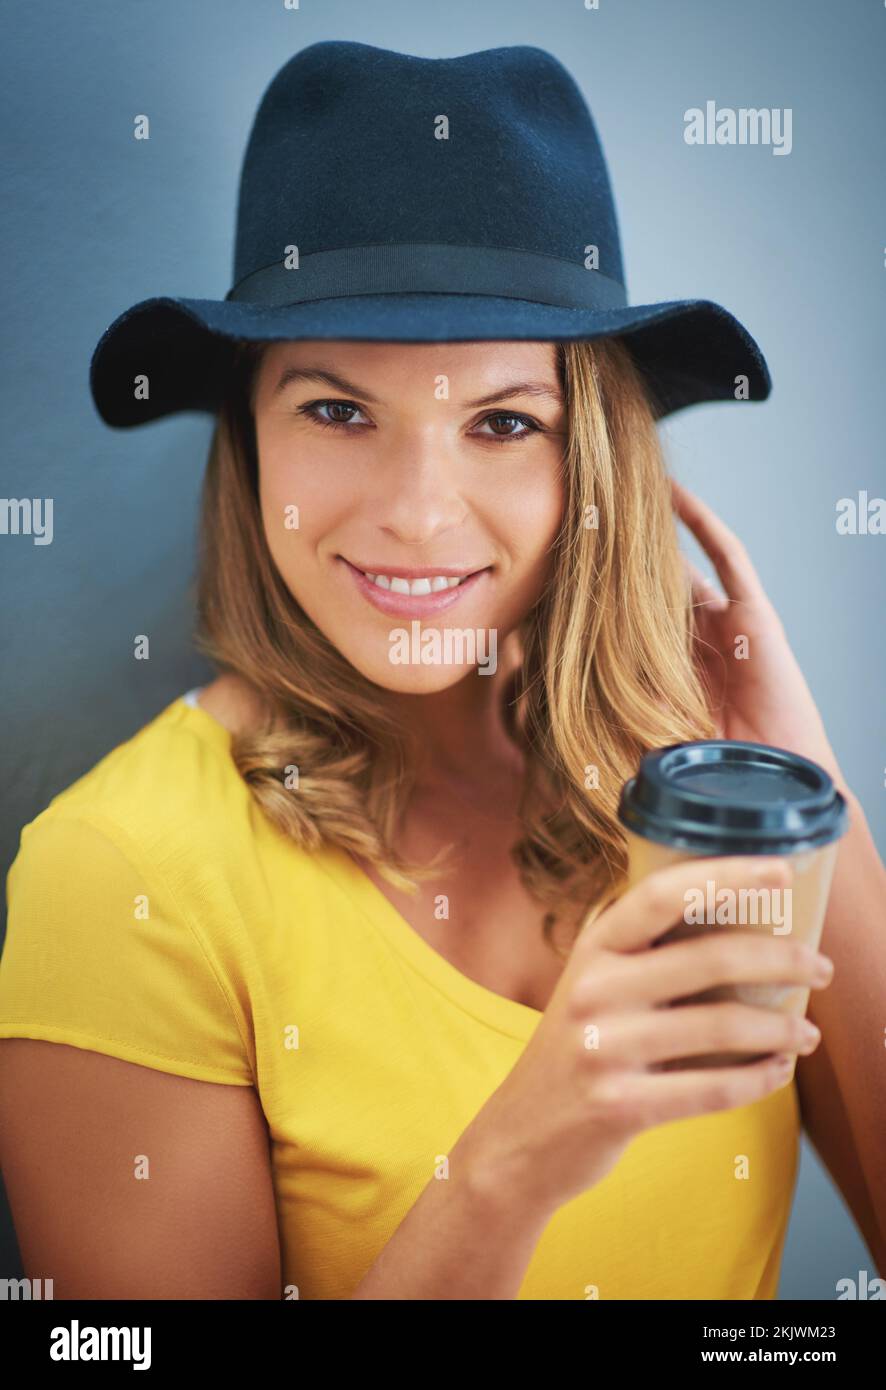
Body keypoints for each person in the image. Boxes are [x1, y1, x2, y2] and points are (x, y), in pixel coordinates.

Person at [1, 41, 884, 1300]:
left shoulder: (704, 805)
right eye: (337, 410)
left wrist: (805, 786)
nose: (418, 513)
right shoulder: (121, 877)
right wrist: (512, 1166)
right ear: (247, 440)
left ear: (595, 463)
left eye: (504, 422)